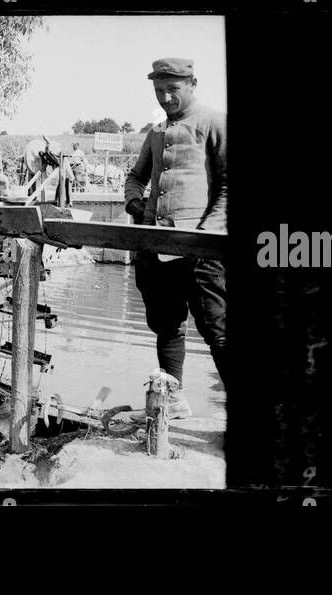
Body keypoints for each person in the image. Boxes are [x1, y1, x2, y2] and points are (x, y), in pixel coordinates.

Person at [124, 57, 229, 419]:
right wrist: (134, 202)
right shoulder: (155, 131)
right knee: (168, 326)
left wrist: (206, 235)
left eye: (173, 90)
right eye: (159, 91)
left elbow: (229, 186)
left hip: (201, 250)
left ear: (192, 84)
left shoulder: (215, 122)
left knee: (218, 328)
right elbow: (135, 176)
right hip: (156, 246)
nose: (166, 98)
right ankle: (174, 401)